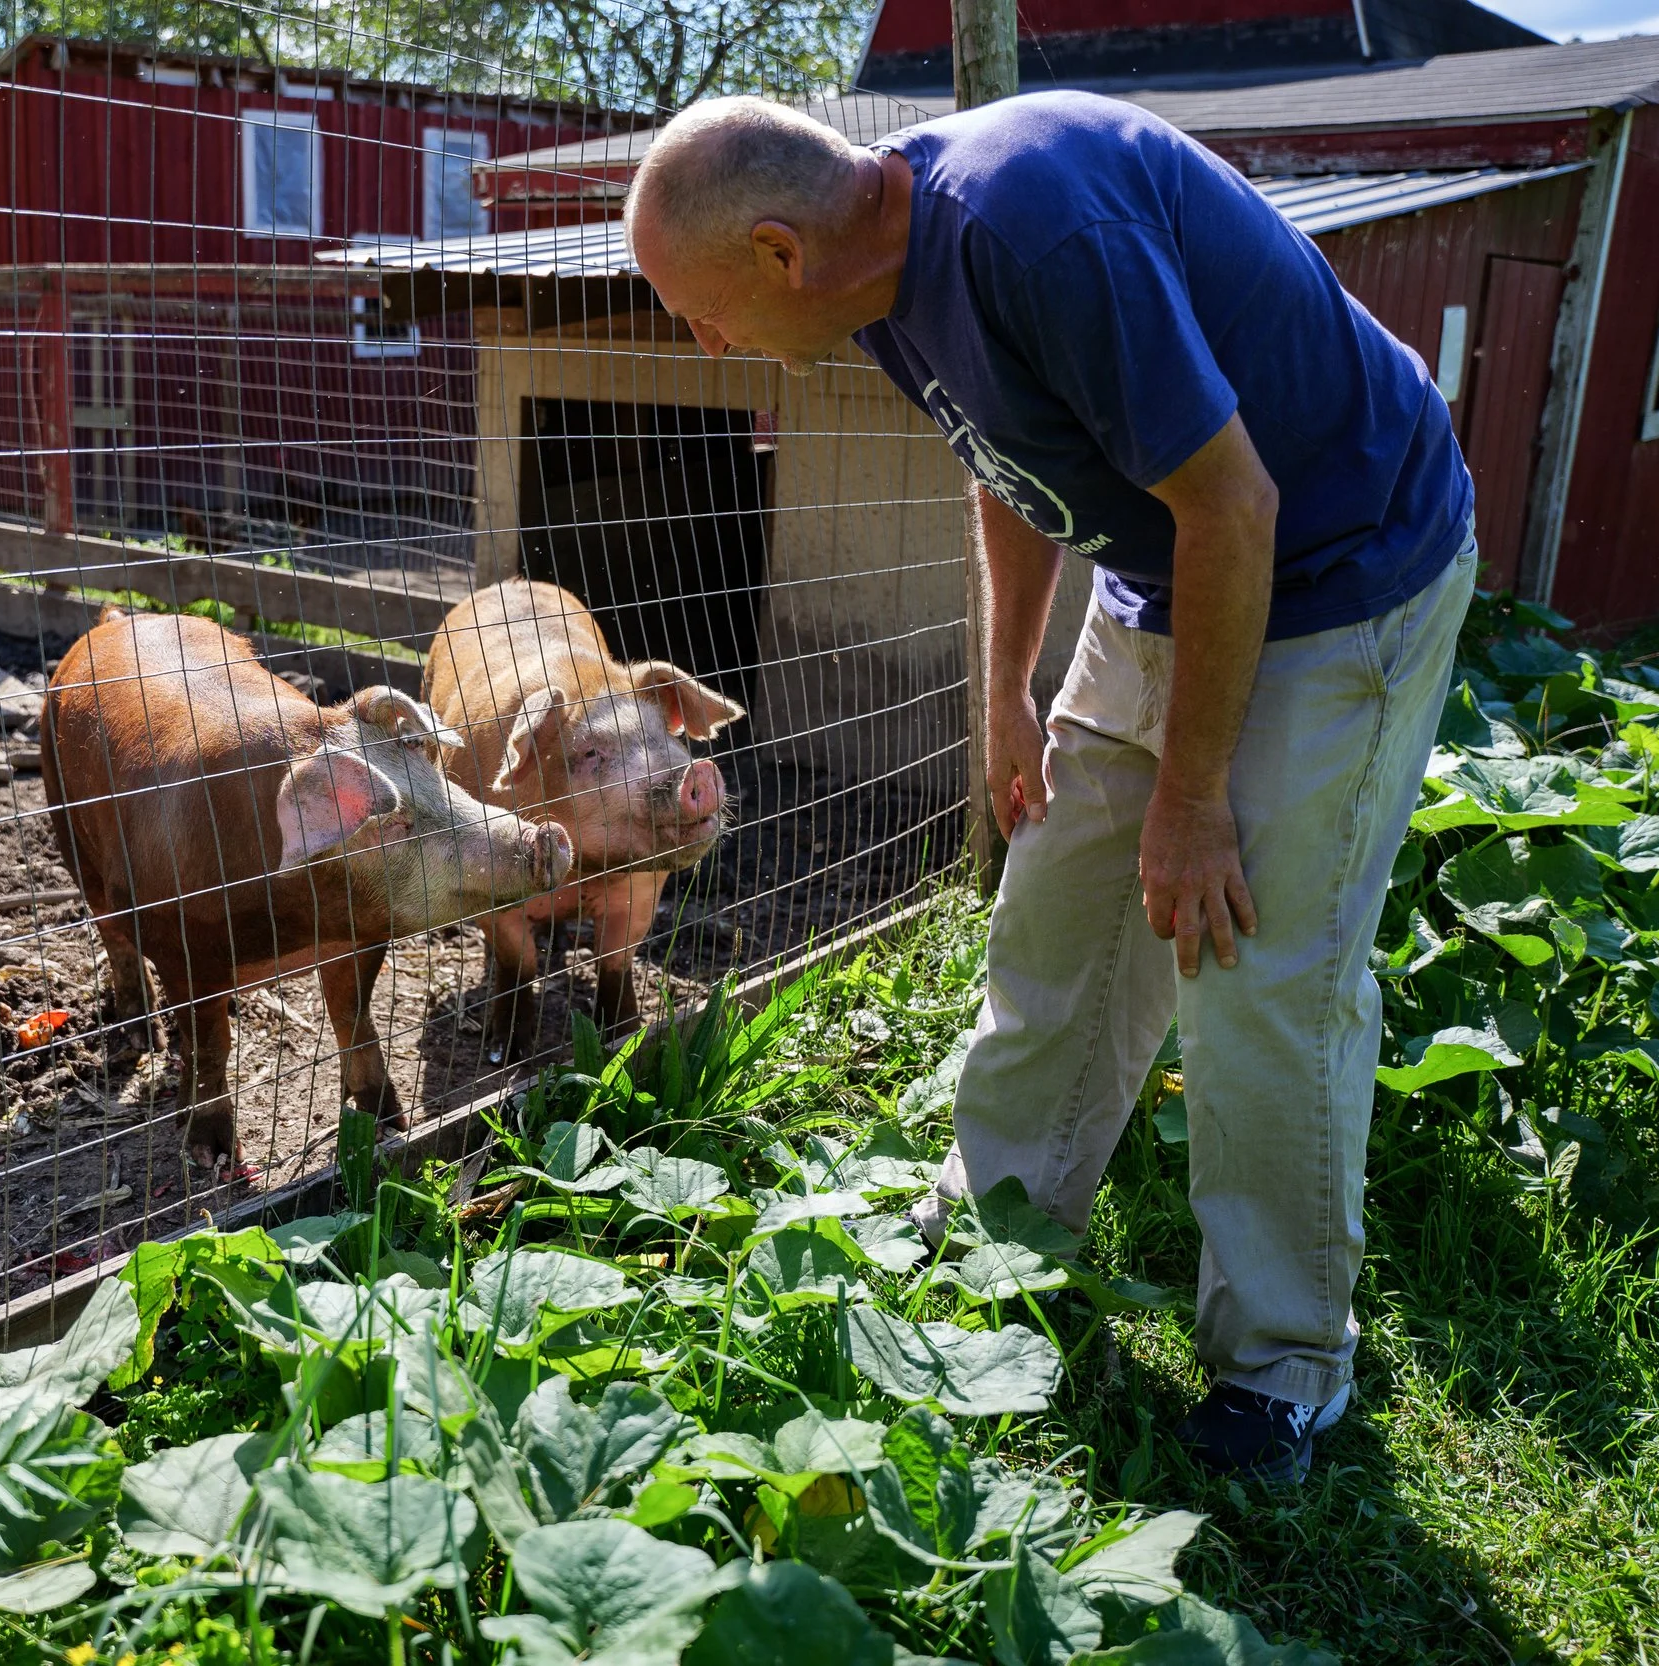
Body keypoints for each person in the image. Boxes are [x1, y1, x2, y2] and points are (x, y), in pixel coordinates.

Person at [624, 91, 1476, 1483]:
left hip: (1342, 558)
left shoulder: (1033, 234)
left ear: (778, 253)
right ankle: (1004, 1216)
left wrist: (1193, 794)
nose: (705, 344)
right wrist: (1007, 683)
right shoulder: (877, 279)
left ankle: (1282, 1365)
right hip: (1173, 561)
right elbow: (1006, 465)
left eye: (698, 309)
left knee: (1254, 955)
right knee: (1062, 900)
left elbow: (1236, 504)